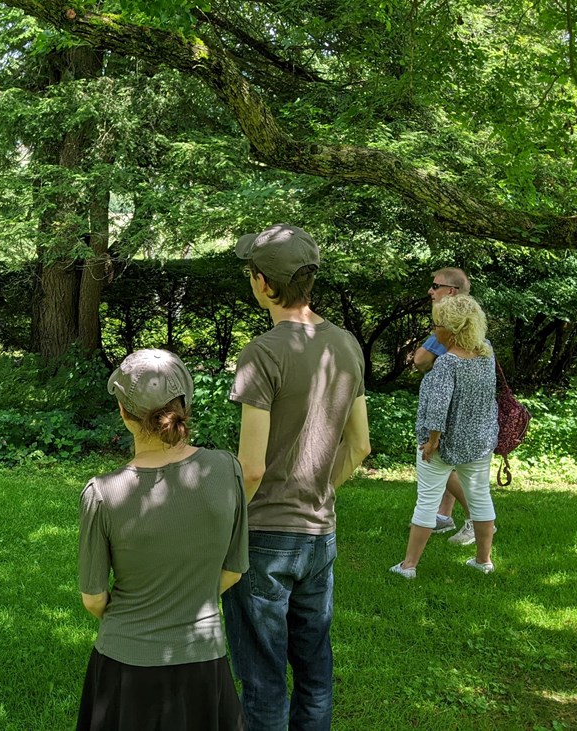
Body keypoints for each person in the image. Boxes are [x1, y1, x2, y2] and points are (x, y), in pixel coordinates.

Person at [224, 224, 371, 730]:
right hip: (319, 535)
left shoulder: (262, 353)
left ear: (263, 283)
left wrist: (224, 526)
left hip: (263, 539)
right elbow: (360, 445)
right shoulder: (346, 344)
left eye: (252, 273)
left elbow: (252, 468)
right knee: (314, 672)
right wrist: (320, 491)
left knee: (263, 680)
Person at [77, 349, 249, 730]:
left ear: (124, 413)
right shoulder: (226, 470)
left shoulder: (102, 493)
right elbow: (234, 570)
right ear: (184, 405)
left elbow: (93, 599)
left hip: (124, 668)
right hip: (203, 664)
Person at [391, 294, 499, 578]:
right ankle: (483, 562)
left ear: (451, 330)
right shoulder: (487, 352)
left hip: (443, 446)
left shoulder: (447, 363)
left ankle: (408, 566)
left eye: (436, 324)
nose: (433, 330)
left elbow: (438, 410)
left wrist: (432, 441)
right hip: (478, 442)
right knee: (481, 498)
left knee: (427, 501)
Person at [411, 267, 479, 545]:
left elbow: (420, 360)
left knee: (435, 456)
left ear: (451, 291)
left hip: (451, 408)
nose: (431, 291)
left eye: (435, 286)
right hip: (469, 408)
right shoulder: (473, 318)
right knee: (451, 461)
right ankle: (445, 515)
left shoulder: (451, 323)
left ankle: (476, 518)